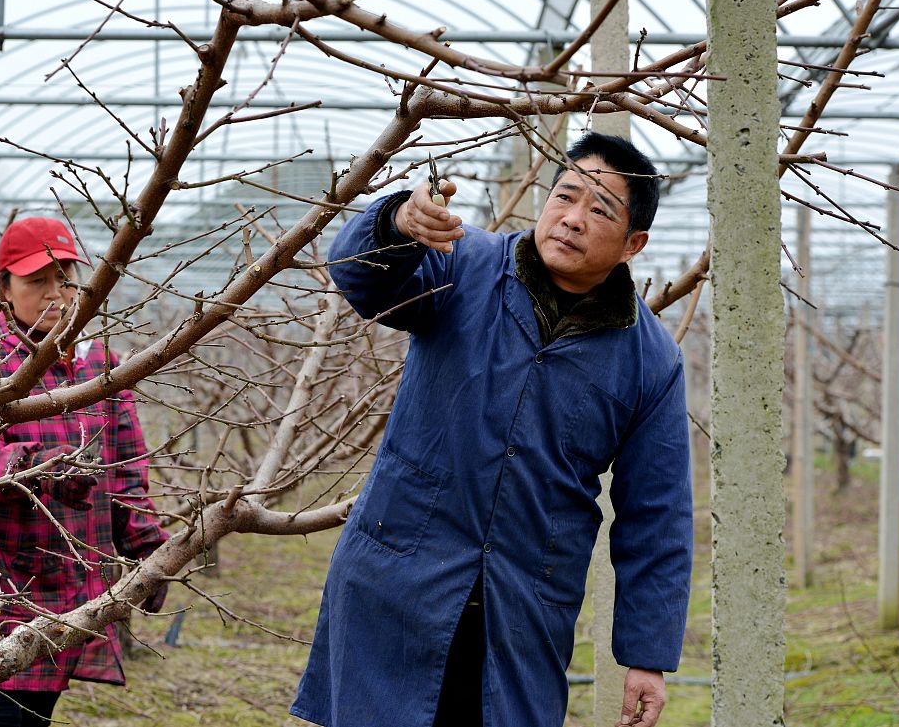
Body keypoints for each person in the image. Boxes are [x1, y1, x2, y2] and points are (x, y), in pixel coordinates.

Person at [291, 133, 693, 727]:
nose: (573, 218)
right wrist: (398, 223)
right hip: (400, 580)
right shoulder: (465, 263)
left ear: (634, 243)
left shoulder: (650, 360)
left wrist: (646, 655)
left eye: (600, 210)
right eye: (565, 196)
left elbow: (657, 513)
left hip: (523, 609)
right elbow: (362, 280)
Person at [0, 216, 168, 727]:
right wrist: (40, 465)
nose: (54, 294)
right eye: (36, 281)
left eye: (64, 278)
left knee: (36, 711)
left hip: (72, 575)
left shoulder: (100, 364)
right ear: (4, 289)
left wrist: (148, 549)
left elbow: (126, 469)